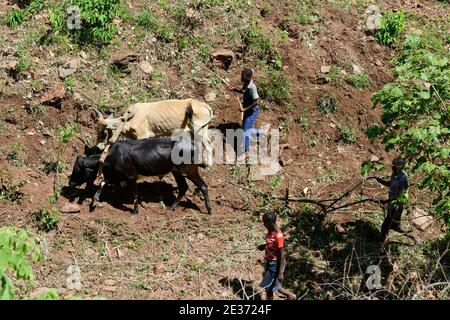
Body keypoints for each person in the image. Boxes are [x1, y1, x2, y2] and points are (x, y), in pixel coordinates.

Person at [259, 211, 296, 300]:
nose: (263, 224)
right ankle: (290, 296)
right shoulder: (270, 231)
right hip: (269, 262)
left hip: (274, 264)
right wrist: (264, 246)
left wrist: (280, 273)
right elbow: (272, 245)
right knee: (272, 285)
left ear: (270, 223)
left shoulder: (278, 235)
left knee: (269, 287)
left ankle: (290, 295)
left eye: (265, 223)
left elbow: (282, 254)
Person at [375, 157, 409, 247]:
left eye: (396, 165)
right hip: (393, 204)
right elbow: (391, 184)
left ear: (401, 167)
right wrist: (381, 181)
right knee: (395, 225)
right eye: (393, 165)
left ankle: (383, 247)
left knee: (384, 228)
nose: (393, 166)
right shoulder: (395, 174)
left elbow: (400, 195)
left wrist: (386, 201)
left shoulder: (403, 178)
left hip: (396, 206)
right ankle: (410, 235)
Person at [238, 68, 262, 153]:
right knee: (246, 128)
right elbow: (244, 91)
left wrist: (244, 109)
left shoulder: (252, 87)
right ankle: (263, 134)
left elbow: (257, 101)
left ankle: (243, 150)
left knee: (246, 132)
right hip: (248, 110)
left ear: (248, 77)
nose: (241, 77)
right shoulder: (246, 83)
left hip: (252, 112)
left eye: (243, 76)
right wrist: (236, 90)